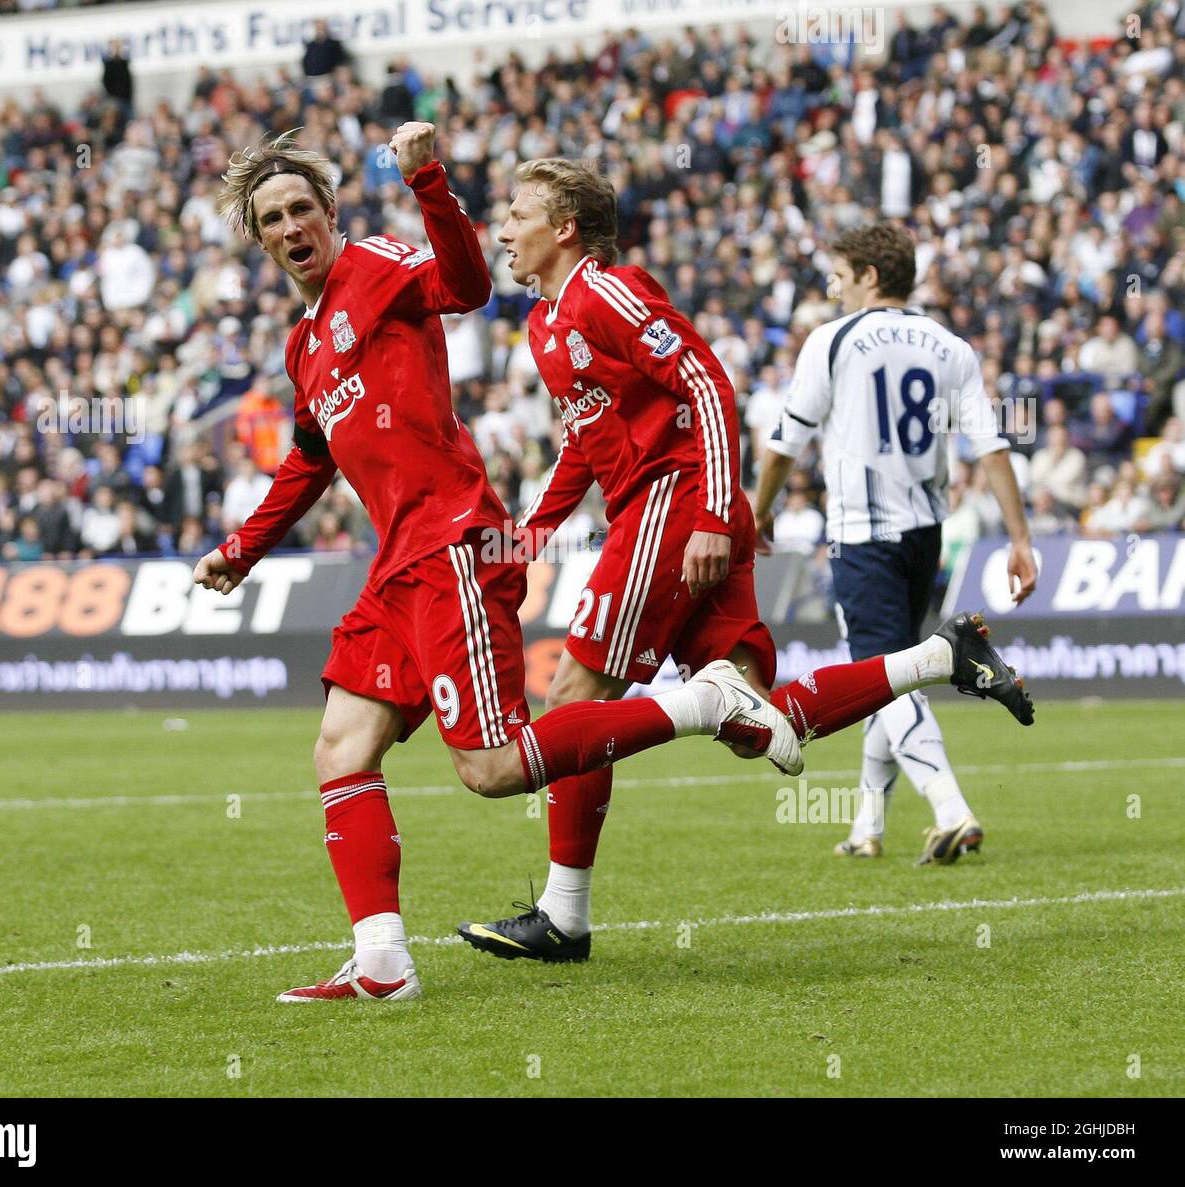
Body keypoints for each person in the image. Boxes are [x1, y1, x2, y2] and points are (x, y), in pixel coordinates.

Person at [193, 125, 804, 1004]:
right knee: (339, 747)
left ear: (329, 214)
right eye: (273, 219)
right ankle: (381, 964)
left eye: (302, 208)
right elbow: (309, 460)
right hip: (393, 565)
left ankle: (702, 700)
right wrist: (242, 549)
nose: (293, 225)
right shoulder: (305, 345)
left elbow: (468, 284)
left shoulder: (378, 262)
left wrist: (430, 183)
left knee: (492, 769)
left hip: (450, 544)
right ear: (260, 241)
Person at [456, 162, 1034, 966]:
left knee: (575, 695)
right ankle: (942, 655)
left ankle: (565, 915)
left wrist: (713, 511)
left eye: (516, 215)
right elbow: (584, 447)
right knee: (757, 719)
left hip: (676, 503)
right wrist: (531, 536)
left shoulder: (607, 292)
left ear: (564, 229)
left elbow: (706, 381)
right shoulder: (548, 325)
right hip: (685, 510)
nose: (502, 231)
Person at [755, 223, 1037, 866]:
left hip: (863, 537)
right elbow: (990, 448)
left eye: (840, 273)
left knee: (884, 680)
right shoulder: (950, 346)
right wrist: (1020, 538)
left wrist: (760, 512)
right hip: (924, 536)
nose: (831, 285)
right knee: (888, 676)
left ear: (870, 277)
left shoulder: (833, 341)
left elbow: (784, 443)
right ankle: (867, 824)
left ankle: (951, 810)